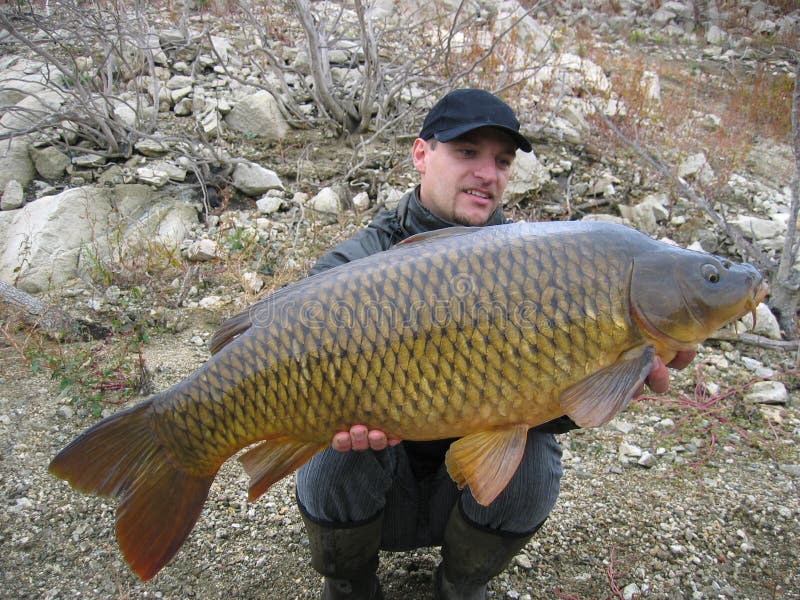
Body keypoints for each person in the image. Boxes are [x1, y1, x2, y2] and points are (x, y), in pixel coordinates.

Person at [295, 88, 695, 600]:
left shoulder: (543, 265)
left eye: (502, 161)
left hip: (461, 499)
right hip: (377, 493)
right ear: (421, 154)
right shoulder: (352, 267)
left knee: (535, 451)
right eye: (467, 153)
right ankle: (348, 584)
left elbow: (548, 407)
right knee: (329, 449)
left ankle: (460, 585)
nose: (488, 173)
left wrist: (609, 384)